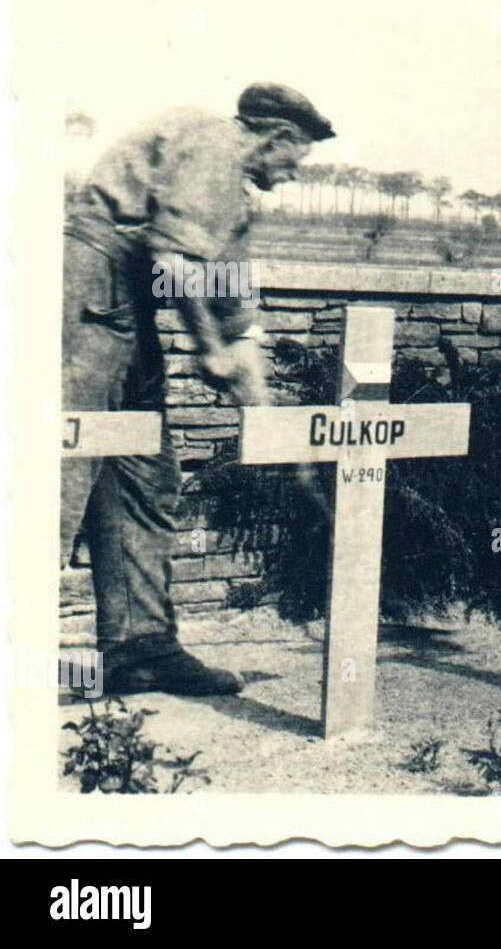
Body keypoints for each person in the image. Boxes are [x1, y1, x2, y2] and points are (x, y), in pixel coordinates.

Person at [62, 83, 334, 695]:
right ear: (277, 137)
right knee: (58, 470)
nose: (291, 176)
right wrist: (208, 347)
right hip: (84, 294)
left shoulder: (231, 199)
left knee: (144, 475)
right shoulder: (213, 142)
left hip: (125, 313)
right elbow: (175, 268)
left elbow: (239, 319)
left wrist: (265, 425)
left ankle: (141, 650)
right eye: (295, 162)